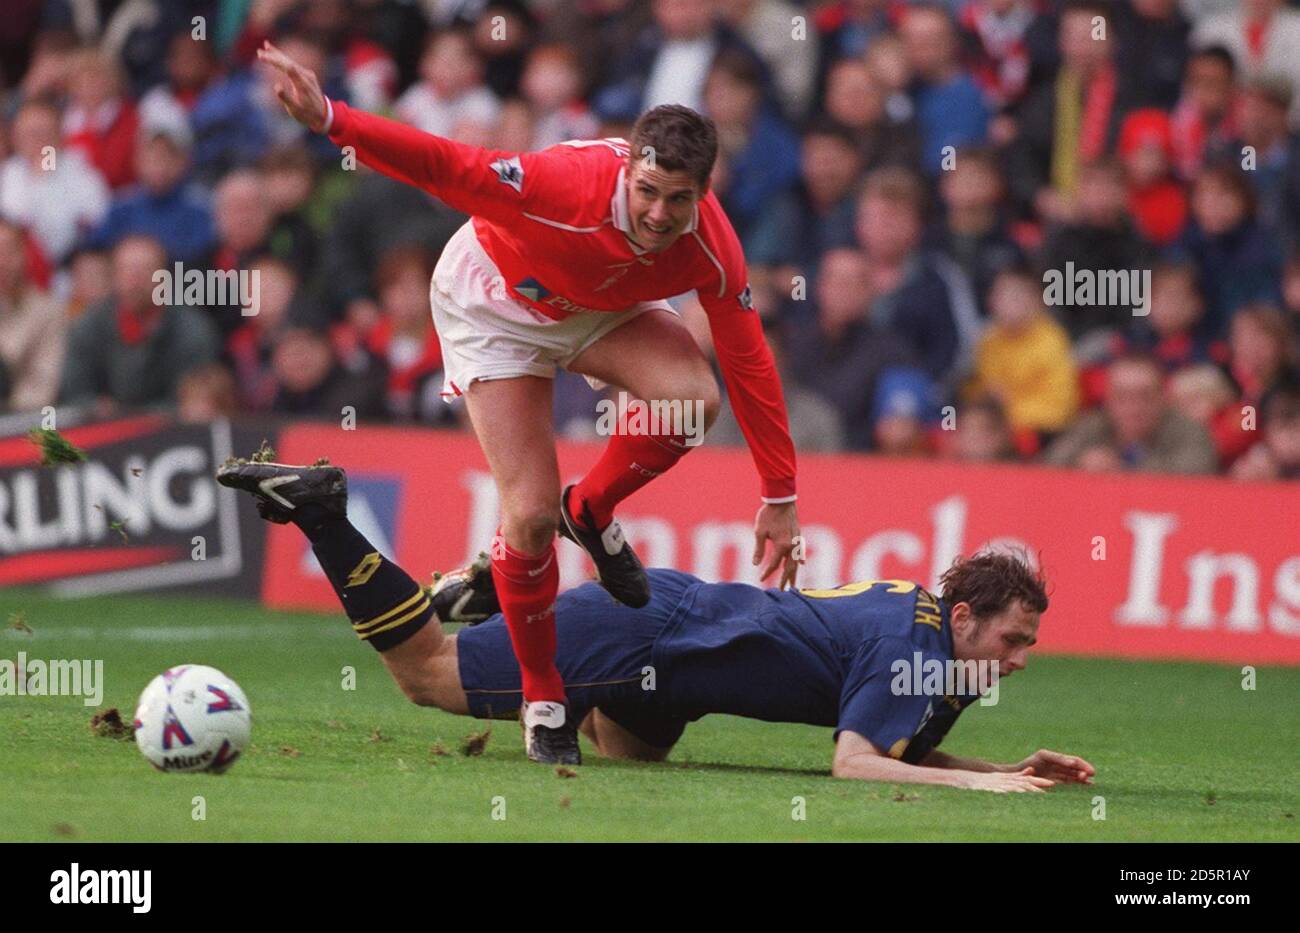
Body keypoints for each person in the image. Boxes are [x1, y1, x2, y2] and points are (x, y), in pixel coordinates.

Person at [257, 41, 801, 765]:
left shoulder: (711, 244)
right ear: (629, 170)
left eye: (679, 199)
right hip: (497, 305)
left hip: (592, 311)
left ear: (706, 191)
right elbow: (447, 164)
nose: (659, 213)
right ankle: (544, 697)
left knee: (692, 398)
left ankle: (595, 510)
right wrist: (332, 118)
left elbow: (747, 357)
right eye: (647, 191)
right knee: (530, 513)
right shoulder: (560, 184)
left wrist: (781, 491)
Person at [216, 456, 1095, 793]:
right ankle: (326, 512)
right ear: (970, 615)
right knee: (426, 675)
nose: (1019, 660)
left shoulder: (944, 647)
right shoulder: (919, 645)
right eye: (1015, 639)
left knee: (631, 761)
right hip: (651, 636)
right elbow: (854, 761)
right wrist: (984, 788)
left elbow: (895, 746)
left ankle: (502, 596)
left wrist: (1006, 765)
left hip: (676, 674)